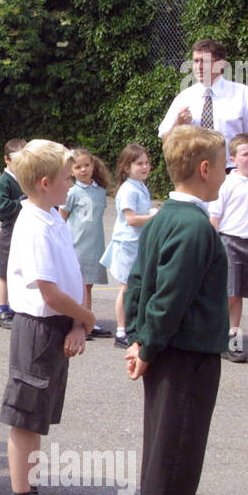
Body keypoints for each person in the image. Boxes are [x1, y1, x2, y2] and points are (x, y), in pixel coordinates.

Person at [124, 125, 229, 495]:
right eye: (223, 165)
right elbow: (169, 296)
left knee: (170, 447)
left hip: (170, 350)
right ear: (204, 169)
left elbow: (140, 281)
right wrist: (147, 344)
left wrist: (137, 336)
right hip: (185, 354)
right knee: (176, 452)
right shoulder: (192, 226)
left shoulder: (164, 216)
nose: (225, 173)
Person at [0, 141, 96, 495]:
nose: (71, 182)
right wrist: (87, 319)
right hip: (38, 330)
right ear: (44, 182)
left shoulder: (52, 216)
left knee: (37, 418)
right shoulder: (33, 224)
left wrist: (77, 326)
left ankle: (31, 494)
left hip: (58, 327)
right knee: (25, 419)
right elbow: (50, 293)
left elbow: (71, 278)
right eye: (65, 177)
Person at [158, 39, 248, 167]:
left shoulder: (243, 95)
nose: (199, 67)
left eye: (205, 61)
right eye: (195, 61)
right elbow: (166, 139)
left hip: (233, 172)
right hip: (195, 173)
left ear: (221, 65)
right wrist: (178, 123)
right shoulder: (184, 98)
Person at [207, 134, 248, 363]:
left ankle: (234, 338)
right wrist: (213, 249)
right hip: (230, 242)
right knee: (230, 294)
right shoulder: (227, 183)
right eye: (245, 154)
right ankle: (217, 335)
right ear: (233, 158)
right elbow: (215, 218)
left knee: (239, 294)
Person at [100, 144, 156, 349]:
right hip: (127, 245)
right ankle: (122, 331)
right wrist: (153, 217)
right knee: (126, 287)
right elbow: (131, 219)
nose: (145, 167)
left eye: (147, 163)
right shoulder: (128, 189)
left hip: (139, 245)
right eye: (139, 163)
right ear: (126, 167)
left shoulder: (140, 186)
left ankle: (135, 327)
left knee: (138, 287)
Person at [59, 148, 112, 337]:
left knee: (88, 284)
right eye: (78, 167)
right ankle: (78, 320)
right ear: (71, 170)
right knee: (78, 284)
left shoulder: (99, 191)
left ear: (93, 166)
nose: (83, 170)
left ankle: (87, 321)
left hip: (94, 245)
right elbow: (61, 218)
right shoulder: (72, 192)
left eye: (86, 165)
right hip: (76, 245)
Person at [0, 138, 26, 328]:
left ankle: (15, 305)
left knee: (19, 270)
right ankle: (2, 309)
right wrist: (21, 202)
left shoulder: (23, 178)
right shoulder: (5, 181)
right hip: (10, 230)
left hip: (23, 229)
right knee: (4, 272)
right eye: (18, 161)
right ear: (7, 159)